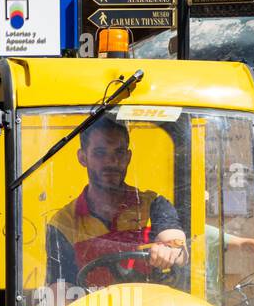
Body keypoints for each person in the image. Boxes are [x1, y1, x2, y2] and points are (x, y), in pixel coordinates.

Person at [45, 115, 187, 288]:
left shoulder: (153, 205)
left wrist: (170, 250)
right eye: (100, 153)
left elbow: (178, 247)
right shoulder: (63, 223)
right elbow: (59, 288)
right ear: (83, 158)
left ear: (128, 157)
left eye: (119, 152)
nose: (111, 161)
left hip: (151, 305)